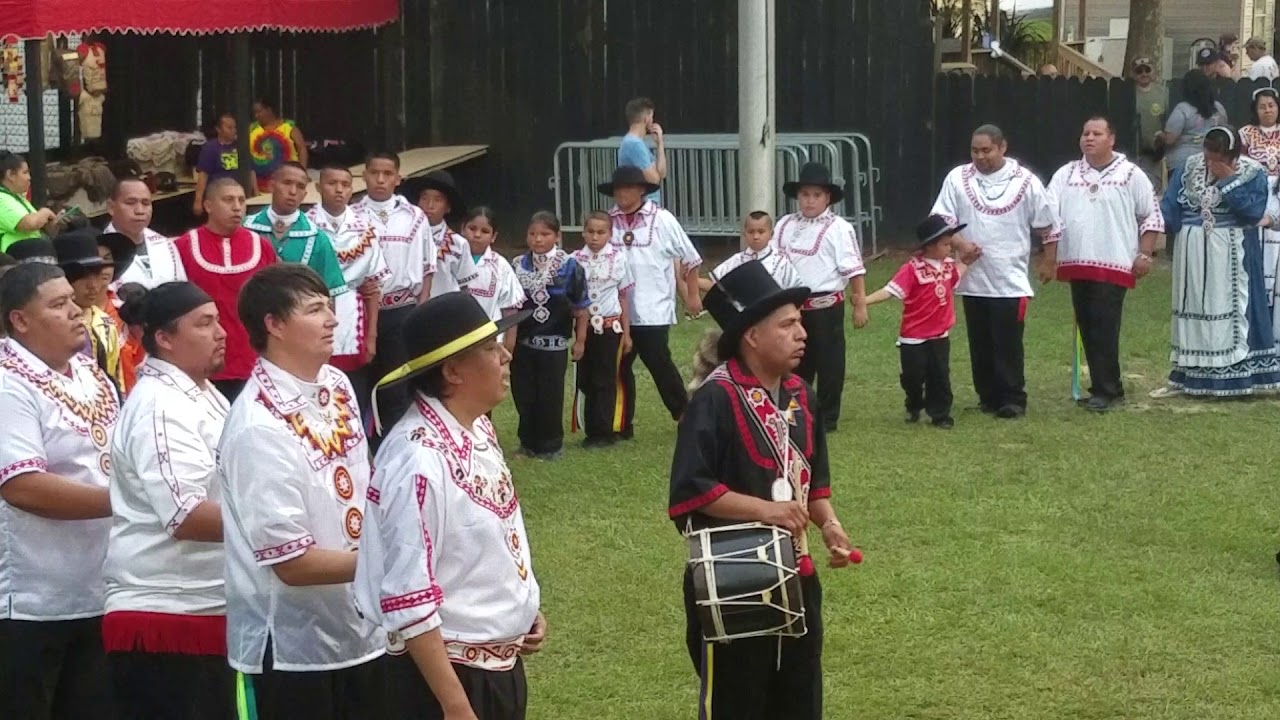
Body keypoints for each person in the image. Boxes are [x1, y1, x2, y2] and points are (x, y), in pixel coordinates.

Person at [669, 259, 855, 720]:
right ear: (751, 335)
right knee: (736, 703)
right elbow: (690, 492)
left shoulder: (801, 395)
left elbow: (813, 486)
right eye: (787, 324)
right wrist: (766, 511)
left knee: (799, 700)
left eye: (801, 322)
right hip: (733, 576)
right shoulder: (715, 398)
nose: (802, 333)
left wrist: (830, 525)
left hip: (797, 574)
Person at [355, 291, 544, 720]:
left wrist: (521, 611)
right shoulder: (418, 462)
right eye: (490, 349)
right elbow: (408, 596)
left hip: (494, 669)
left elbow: (482, 546)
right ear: (453, 371)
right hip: (448, 681)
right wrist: (455, 705)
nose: (505, 356)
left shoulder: (477, 431)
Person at [218, 264, 386, 718]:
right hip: (293, 647)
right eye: (314, 310)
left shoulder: (336, 384)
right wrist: (388, 564)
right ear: (273, 324)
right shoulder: (257, 426)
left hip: (360, 623)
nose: (332, 319)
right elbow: (291, 563)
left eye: (329, 307)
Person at [102, 282, 234, 720]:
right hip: (168, 614)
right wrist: (280, 532)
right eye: (205, 323)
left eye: (218, 321)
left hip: (205, 606)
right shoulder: (160, 405)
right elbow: (186, 515)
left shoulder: (201, 393)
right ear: (164, 338)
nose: (221, 333)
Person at [0, 262, 119, 718]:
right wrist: (129, 503)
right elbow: (23, 487)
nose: (75, 311)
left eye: (72, 300)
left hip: (100, 586)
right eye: (58, 304)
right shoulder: (8, 383)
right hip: (33, 598)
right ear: (20, 320)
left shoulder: (89, 371)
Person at [931, 124, 1058, 419]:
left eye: (986, 150)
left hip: (1009, 277)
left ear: (1002, 147)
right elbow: (942, 220)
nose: (980, 156)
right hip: (972, 276)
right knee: (980, 339)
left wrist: (1049, 260)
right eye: (974, 151)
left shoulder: (1026, 181)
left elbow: (1048, 225)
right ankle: (987, 396)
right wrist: (961, 244)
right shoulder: (957, 178)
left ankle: (1012, 398)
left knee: (1008, 340)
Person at [1046, 117, 1164, 412]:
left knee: (1104, 326)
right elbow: (1048, 213)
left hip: (1114, 262)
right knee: (1087, 324)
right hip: (1077, 261)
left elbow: (1150, 215)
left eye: (1096, 133)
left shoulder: (1130, 174)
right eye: (1085, 133)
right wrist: (1049, 255)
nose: (1089, 138)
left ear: (1111, 139)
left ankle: (1107, 389)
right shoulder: (1066, 173)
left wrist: (1145, 254)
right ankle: (1104, 386)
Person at [1158, 125, 1280, 397]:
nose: (1212, 162)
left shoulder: (1252, 172)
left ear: (1233, 154)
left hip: (1232, 248)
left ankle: (1235, 377)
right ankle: (1193, 373)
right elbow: (1170, 207)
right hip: (1192, 249)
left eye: (1219, 157)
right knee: (1194, 305)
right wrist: (1159, 226)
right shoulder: (1189, 167)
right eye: (1208, 155)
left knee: (1231, 306)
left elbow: (1253, 212)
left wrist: (1229, 181)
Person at [599, 165, 703, 436]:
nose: (622, 194)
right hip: (616, 309)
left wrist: (692, 296)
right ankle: (620, 425)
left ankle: (685, 415)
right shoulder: (608, 221)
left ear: (642, 190)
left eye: (628, 188)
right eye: (618, 189)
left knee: (659, 363)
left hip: (653, 307)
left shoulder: (662, 219)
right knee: (618, 367)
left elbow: (691, 257)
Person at [771, 161, 868, 432]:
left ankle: (827, 418)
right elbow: (773, 261)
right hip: (792, 307)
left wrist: (860, 304)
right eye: (805, 194)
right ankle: (793, 413)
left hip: (825, 307)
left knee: (829, 364)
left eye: (816, 195)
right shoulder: (785, 224)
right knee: (793, 361)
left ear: (827, 198)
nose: (810, 201)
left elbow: (854, 270)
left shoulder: (839, 228)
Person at [175, 176, 278, 401]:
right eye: (228, 200)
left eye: (241, 200)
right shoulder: (182, 246)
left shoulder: (262, 246)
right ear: (208, 205)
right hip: (201, 363)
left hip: (253, 360)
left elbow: (275, 301)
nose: (237, 207)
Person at [355, 152, 434, 442]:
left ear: (398, 178)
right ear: (364, 175)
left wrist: (420, 310)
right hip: (361, 311)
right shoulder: (353, 215)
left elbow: (428, 267)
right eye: (374, 173)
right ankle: (362, 449)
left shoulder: (415, 217)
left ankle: (396, 449)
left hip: (402, 310)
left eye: (387, 174)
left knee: (397, 386)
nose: (380, 179)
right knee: (360, 382)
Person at [865, 215, 964, 428]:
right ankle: (914, 403)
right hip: (914, 335)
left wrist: (968, 261)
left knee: (940, 374)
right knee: (913, 376)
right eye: (945, 244)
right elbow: (890, 290)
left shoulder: (948, 266)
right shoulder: (912, 269)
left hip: (940, 333)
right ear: (929, 246)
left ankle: (940, 414)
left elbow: (957, 275)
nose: (949, 249)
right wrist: (865, 301)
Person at [307, 164, 389, 418]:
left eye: (345, 185)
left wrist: (372, 336)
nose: (339, 190)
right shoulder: (306, 226)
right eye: (332, 183)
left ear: (352, 189)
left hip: (353, 316)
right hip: (311, 310)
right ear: (319, 187)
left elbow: (374, 287)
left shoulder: (365, 229)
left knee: (355, 391)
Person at [511, 211, 590, 459]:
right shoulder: (517, 266)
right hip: (523, 343)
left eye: (545, 234)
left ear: (557, 236)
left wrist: (580, 340)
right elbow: (510, 306)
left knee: (550, 395)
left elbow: (581, 307)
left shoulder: (570, 267)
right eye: (532, 234)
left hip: (554, 344)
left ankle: (551, 445)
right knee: (523, 393)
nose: (538, 239)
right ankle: (527, 443)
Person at [571, 210, 635, 448]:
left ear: (610, 234)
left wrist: (627, 334)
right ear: (583, 232)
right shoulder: (574, 259)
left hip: (610, 327)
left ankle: (604, 431)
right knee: (586, 378)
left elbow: (623, 297)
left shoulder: (618, 259)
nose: (595, 237)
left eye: (601, 232)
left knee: (606, 379)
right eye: (590, 232)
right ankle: (591, 428)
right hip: (584, 328)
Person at [243, 162, 349, 297]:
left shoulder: (317, 239)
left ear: (305, 194)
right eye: (287, 183)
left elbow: (332, 293)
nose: (293, 191)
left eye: (300, 186)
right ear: (271, 185)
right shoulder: (246, 228)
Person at [53, 226, 136, 395]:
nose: (93, 285)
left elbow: (116, 380)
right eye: (82, 276)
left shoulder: (106, 324)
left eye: (97, 274)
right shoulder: (49, 327)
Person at [462, 206, 525, 354]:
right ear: (463, 229)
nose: (477, 235)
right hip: (453, 340)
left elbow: (510, 308)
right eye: (472, 228)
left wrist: (509, 346)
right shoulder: (449, 260)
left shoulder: (500, 266)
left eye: (485, 231)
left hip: (491, 340)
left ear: (493, 236)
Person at [408, 170, 480, 298]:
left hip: (444, 307)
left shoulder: (458, 243)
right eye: (424, 198)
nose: (429, 205)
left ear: (448, 207)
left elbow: (465, 286)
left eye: (438, 200)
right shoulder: (404, 237)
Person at [108, 177, 187, 290]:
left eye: (146, 203)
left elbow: (182, 290)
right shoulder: (100, 251)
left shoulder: (165, 244)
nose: (139, 211)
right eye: (130, 203)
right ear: (111, 207)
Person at [1240, 88, 1280, 307]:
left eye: (1271, 105)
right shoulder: (1245, 134)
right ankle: (1260, 290)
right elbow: (1240, 166)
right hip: (1257, 194)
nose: (1267, 110)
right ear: (1255, 110)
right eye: (1262, 107)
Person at [700, 211, 801, 290]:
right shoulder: (737, 261)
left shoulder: (781, 262)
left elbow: (796, 290)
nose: (756, 236)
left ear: (771, 234)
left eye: (761, 232)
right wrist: (693, 280)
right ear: (744, 234)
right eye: (751, 232)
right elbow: (714, 284)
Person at [193, 113, 253, 217]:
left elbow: (251, 170)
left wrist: (255, 193)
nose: (233, 130)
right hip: (218, 195)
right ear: (218, 129)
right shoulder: (210, 148)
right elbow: (203, 175)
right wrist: (198, 201)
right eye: (229, 127)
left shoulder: (240, 147)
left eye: (234, 127)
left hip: (238, 194)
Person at [0, 150, 59, 252]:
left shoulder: (17, 197)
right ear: (10, 175)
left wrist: (52, 224)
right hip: (15, 257)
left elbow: (36, 227)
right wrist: (45, 212)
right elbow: (29, 223)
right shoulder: (2, 199)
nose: (29, 177)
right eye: (25, 172)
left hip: (32, 252)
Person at [249, 97, 307, 191]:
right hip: (259, 187)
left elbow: (302, 149)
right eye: (254, 113)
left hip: (288, 184)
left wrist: (302, 173)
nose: (256, 115)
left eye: (259, 112)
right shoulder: (252, 129)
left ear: (269, 110)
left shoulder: (288, 127)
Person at [618, 96, 666, 205]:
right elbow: (654, 179)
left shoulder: (639, 143)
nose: (652, 121)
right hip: (643, 205)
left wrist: (660, 143)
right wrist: (655, 172)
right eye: (652, 117)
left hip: (649, 205)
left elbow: (662, 173)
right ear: (646, 118)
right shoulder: (634, 144)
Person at [1132, 57, 1169, 191]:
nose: (1144, 74)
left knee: (1153, 188)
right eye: (1139, 71)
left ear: (1153, 71)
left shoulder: (1163, 93)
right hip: (1133, 150)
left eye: (1147, 70)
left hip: (1155, 152)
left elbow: (1168, 118)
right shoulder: (1129, 93)